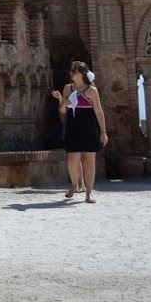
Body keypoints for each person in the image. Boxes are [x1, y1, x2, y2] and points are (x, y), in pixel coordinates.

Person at [51, 60, 107, 203]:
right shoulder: (67, 88)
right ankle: (74, 185)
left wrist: (103, 131)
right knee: (72, 159)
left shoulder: (91, 91)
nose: (70, 73)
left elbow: (98, 111)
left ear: (81, 73)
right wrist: (63, 103)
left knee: (89, 160)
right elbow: (63, 111)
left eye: (73, 71)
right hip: (73, 127)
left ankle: (89, 192)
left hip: (89, 127)